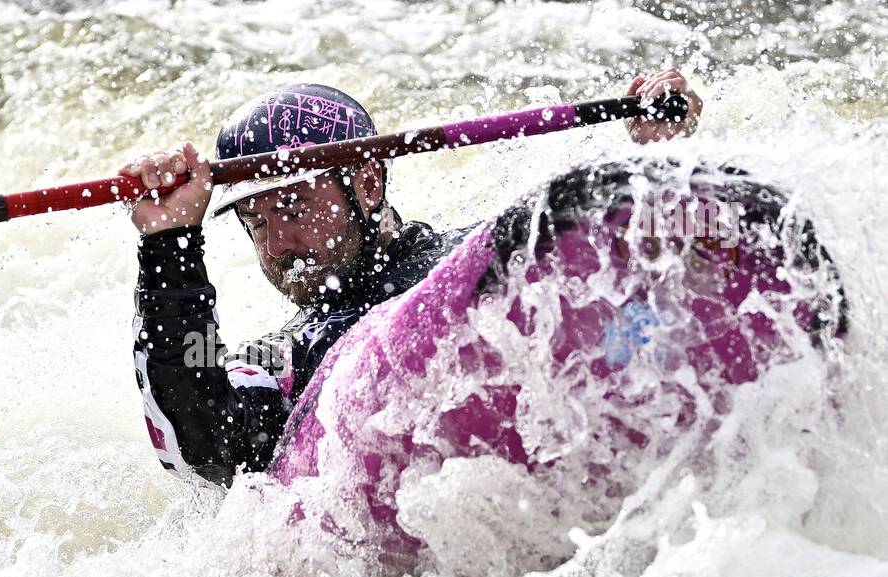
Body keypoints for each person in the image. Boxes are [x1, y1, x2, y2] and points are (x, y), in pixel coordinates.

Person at [125, 72, 703, 486]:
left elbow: (649, 270)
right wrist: (169, 246)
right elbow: (197, 441)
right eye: (256, 222)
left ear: (368, 185)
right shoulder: (288, 359)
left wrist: (663, 163)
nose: (277, 246)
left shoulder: (470, 255)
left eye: (294, 209)